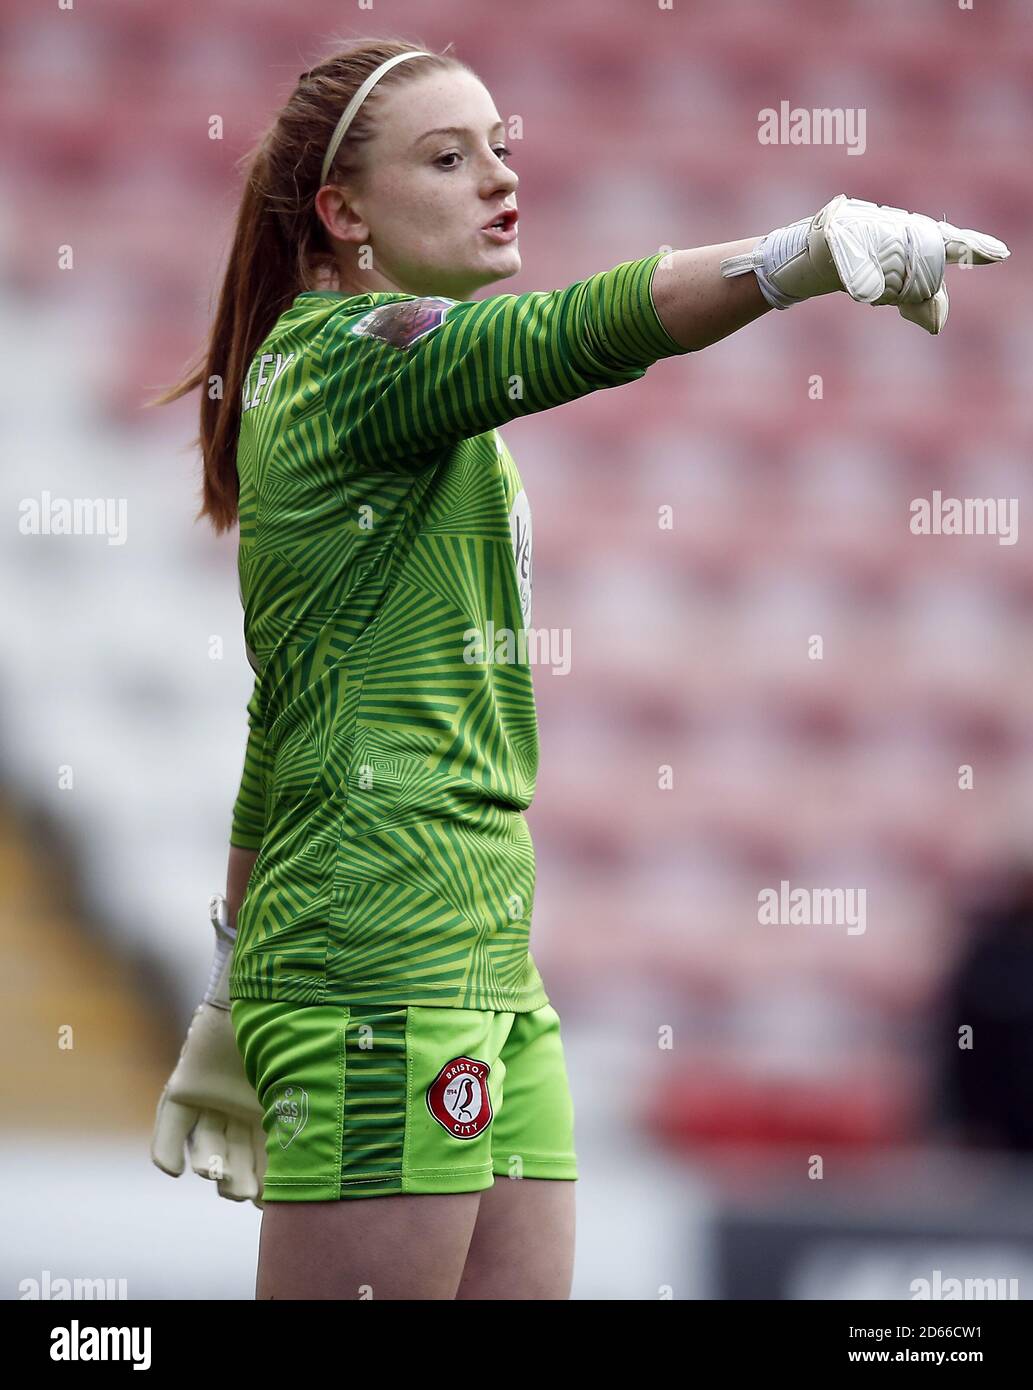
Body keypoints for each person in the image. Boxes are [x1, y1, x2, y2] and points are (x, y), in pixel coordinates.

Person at [148, 36, 1008, 1300]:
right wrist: (802, 255)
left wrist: (226, 978)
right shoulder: (343, 358)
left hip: (483, 950)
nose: (499, 178)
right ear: (342, 212)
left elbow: (284, 711)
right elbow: (566, 335)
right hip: (382, 958)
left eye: (503, 147)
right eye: (448, 157)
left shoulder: (385, 382)